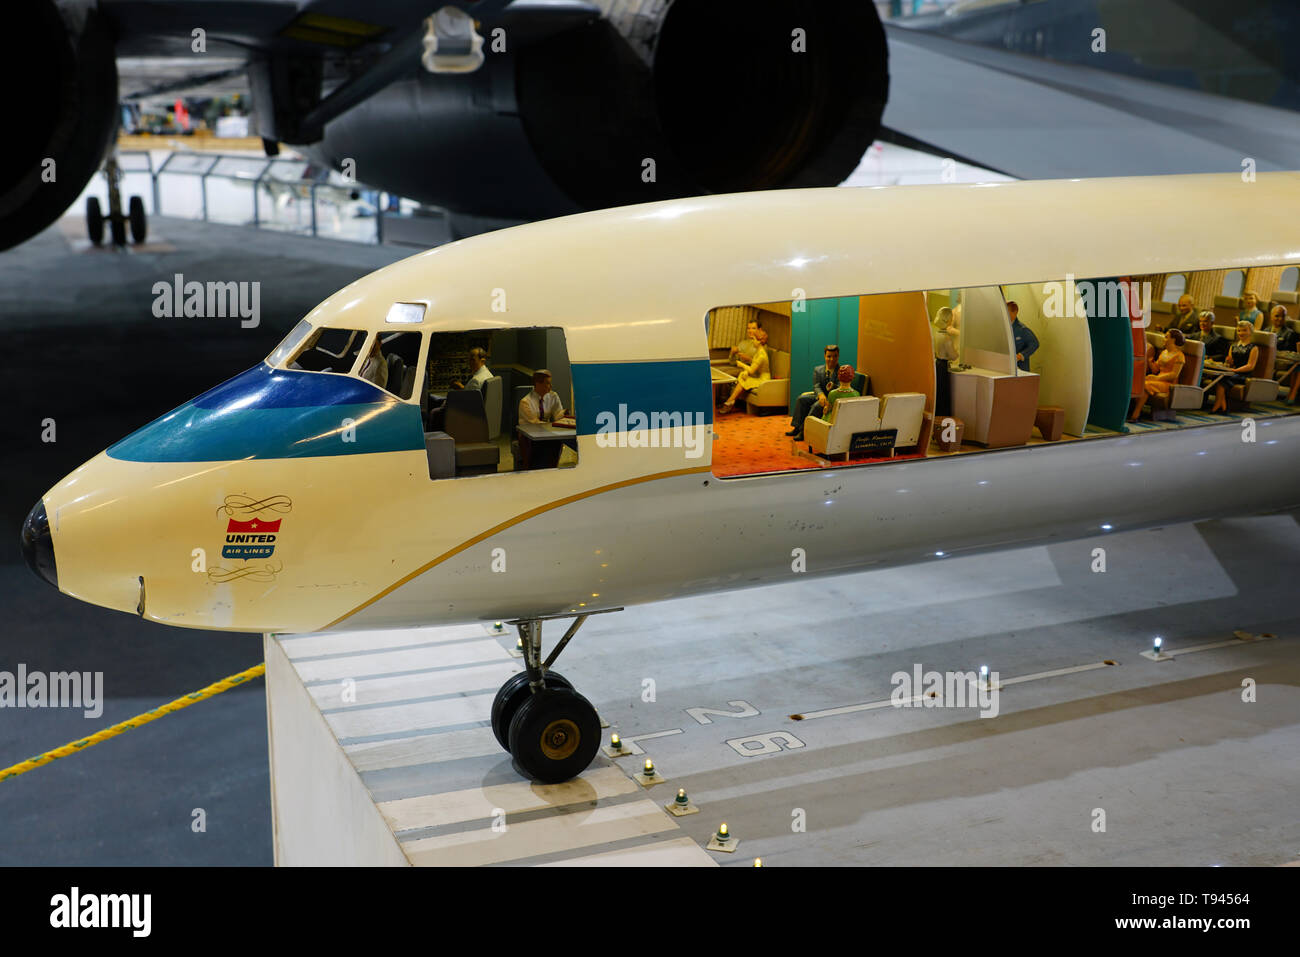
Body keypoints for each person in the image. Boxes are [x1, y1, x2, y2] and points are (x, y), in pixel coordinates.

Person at [786, 344, 843, 440]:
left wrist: (828, 397)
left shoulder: (841, 372)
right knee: (801, 399)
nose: (832, 359)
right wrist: (820, 395)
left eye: (835, 356)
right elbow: (816, 386)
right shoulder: (818, 370)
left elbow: (839, 388)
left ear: (838, 356)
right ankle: (797, 427)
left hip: (831, 400)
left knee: (817, 406)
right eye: (829, 356)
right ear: (825, 356)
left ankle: (804, 431)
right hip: (820, 396)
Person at [1206, 321, 1260, 413]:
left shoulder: (1254, 348)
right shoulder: (1233, 346)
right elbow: (1230, 363)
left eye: (1244, 330)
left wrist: (1236, 370)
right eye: (1239, 331)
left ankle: (1217, 405)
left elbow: (1250, 366)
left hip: (1244, 374)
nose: (1241, 333)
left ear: (1250, 332)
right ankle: (1223, 405)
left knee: (1222, 379)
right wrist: (1228, 362)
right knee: (1217, 377)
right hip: (1233, 372)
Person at [721, 329, 770, 413]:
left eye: (753, 339)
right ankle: (730, 401)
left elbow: (751, 370)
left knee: (744, 379)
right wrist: (745, 372)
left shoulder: (761, 355)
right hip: (758, 376)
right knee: (743, 375)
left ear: (758, 342)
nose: (752, 342)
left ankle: (730, 401)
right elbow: (753, 367)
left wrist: (741, 364)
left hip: (763, 380)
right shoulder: (758, 352)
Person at [1143, 327, 1186, 406]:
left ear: (1173, 340)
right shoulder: (1164, 352)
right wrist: (1150, 362)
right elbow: (1155, 370)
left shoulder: (1179, 356)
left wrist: (1157, 378)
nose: (1163, 339)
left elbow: (1174, 375)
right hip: (1159, 380)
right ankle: (1135, 411)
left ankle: (1137, 413)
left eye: (1166, 337)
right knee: (1140, 382)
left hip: (1169, 384)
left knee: (1146, 384)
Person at [932, 306, 959, 417]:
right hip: (943, 368)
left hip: (936, 365)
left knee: (938, 395)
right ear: (948, 319)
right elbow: (954, 356)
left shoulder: (936, 334)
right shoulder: (946, 338)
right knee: (943, 395)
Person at [1008, 301, 1038, 372]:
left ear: (1015, 312)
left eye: (1007, 311)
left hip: (1020, 369)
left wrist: (1020, 356)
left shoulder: (1022, 329)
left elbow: (1035, 344)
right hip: (1006, 367)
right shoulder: (1003, 327)